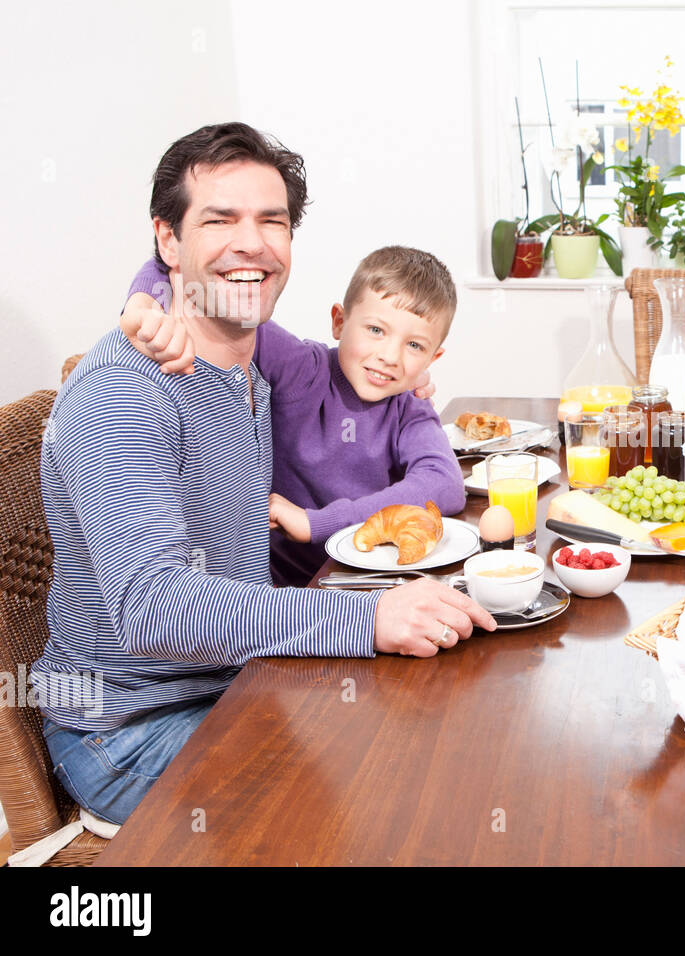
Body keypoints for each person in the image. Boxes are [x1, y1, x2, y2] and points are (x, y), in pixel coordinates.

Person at [33, 122, 494, 826]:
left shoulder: (252, 367)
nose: (252, 243)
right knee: (378, 803)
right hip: (129, 729)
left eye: (271, 221)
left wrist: (409, 387)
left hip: (235, 677)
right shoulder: (122, 393)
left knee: (439, 739)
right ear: (167, 241)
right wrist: (367, 615)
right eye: (220, 219)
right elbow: (156, 608)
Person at [121, 245, 467, 586]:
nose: (390, 356)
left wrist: (318, 522)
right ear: (339, 321)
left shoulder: (410, 405)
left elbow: (445, 485)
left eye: (414, 346)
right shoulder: (300, 368)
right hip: (272, 590)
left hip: (368, 580)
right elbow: (179, 271)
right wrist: (142, 307)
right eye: (376, 330)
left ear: (433, 358)